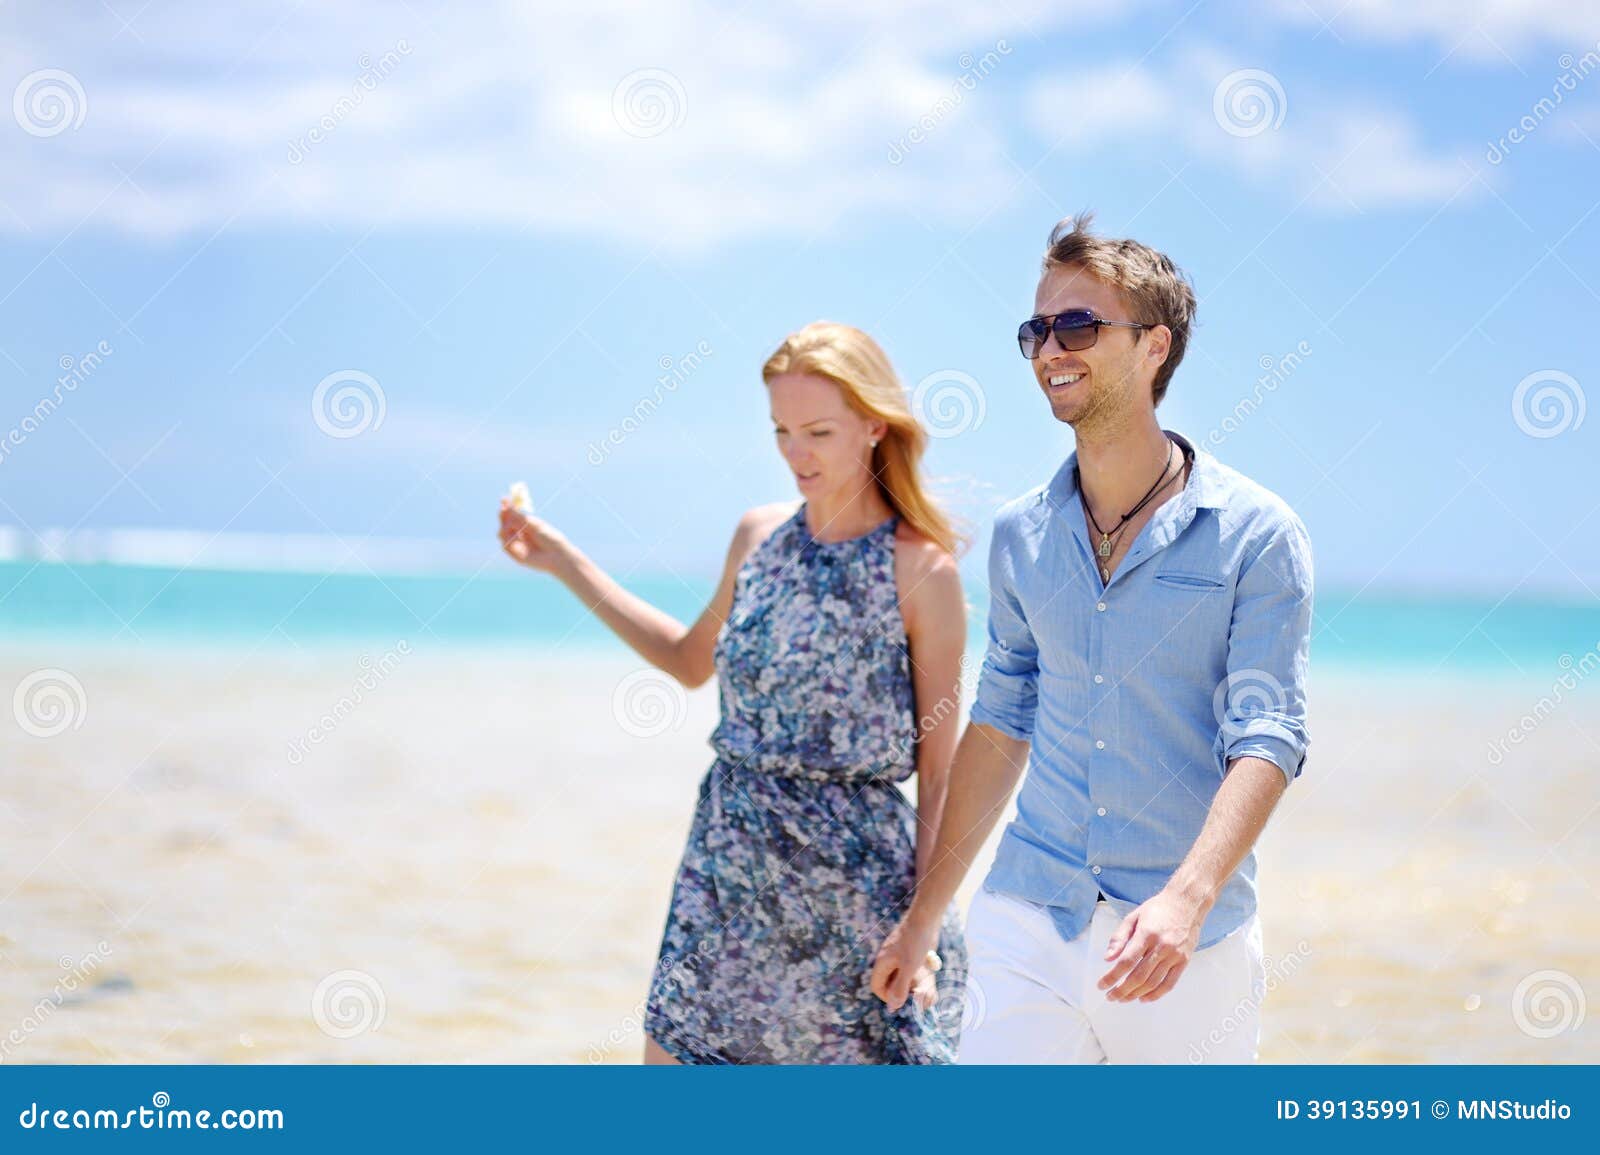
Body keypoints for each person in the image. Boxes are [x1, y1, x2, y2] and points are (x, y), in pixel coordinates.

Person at [870, 212, 1314, 1064]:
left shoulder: (1257, 534)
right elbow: (1000, 725)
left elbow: (1269, 737)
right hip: (1028, 911)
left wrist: (1187, 898)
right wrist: (925, 916)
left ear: (1155, 346)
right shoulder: (1020, 536)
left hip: (1184, 940)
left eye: (1077, 324)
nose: (1049, 349)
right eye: (1037, 329)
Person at [499, 321, 970, 1064]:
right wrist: (564, 562)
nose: (795, 454)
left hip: (847, 896)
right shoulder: (758, 536)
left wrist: (922, 926)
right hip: (725, 867)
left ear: (875, 425)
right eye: (781, 430)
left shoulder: (922, 573)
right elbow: (690, 661)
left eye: (817, 430)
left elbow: (944, 773)